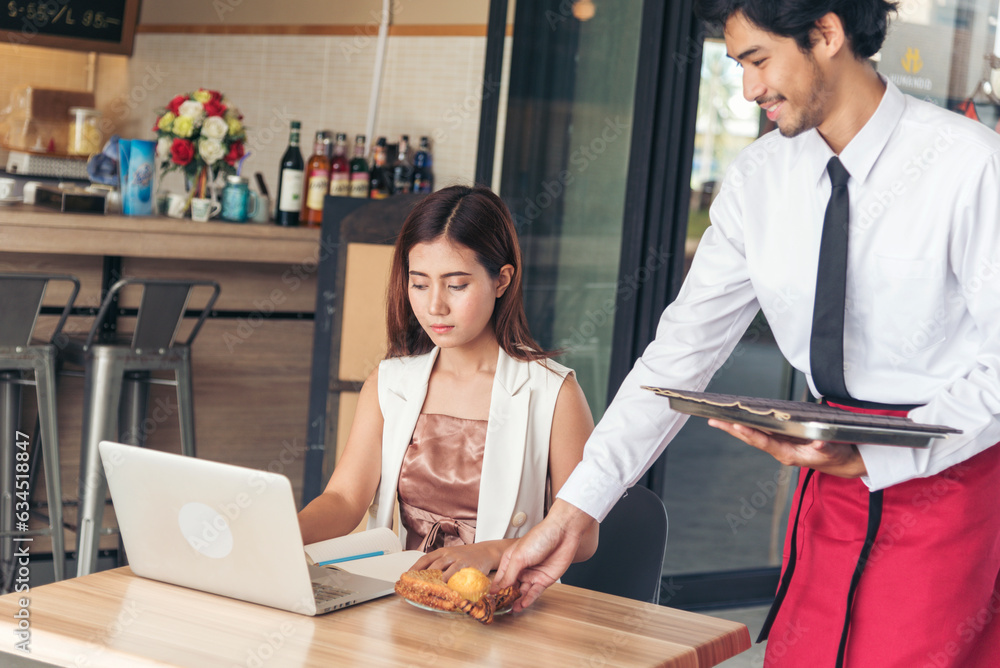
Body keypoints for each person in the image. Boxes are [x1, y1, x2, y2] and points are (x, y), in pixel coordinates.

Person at [493, 2, 1000, 666]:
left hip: (953, 481)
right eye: (738, 66)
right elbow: (681, 353)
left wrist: (880, 457)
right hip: (827, 482)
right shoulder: (760, 179)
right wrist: (574, 511)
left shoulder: (970, 165)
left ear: (826, 33)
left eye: (758, 61)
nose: (748, 89)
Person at [298, 184, 598, 579]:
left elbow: (586, 537)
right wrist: (283, 533)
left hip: (501, 604)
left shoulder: (554, 394)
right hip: (403, 597)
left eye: (457, 285)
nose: (434, 305)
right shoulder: (389, 382)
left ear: (502, 281)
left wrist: (493, 552)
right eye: (419, 284)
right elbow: (344, 498)